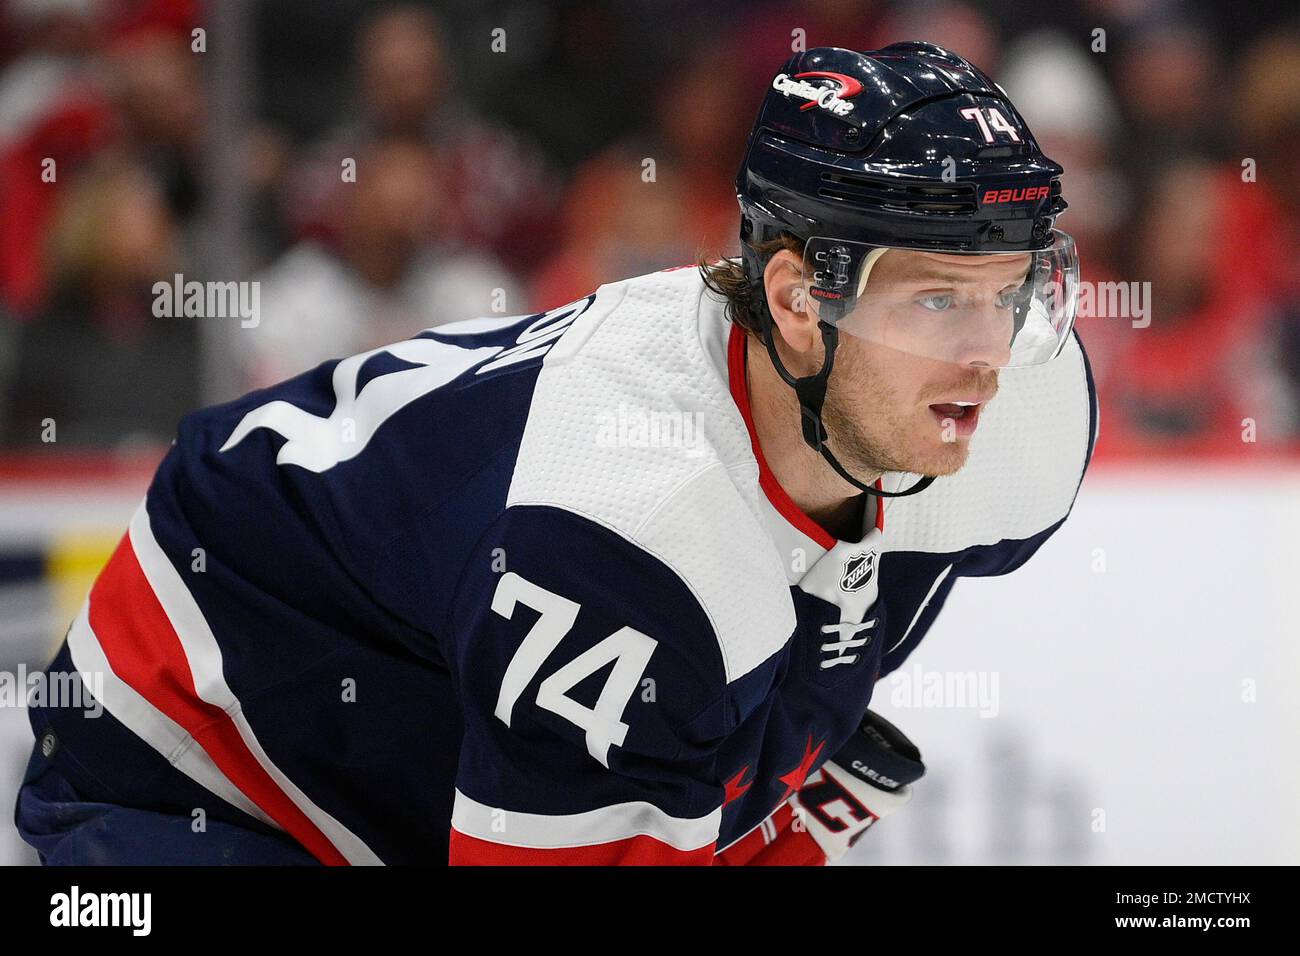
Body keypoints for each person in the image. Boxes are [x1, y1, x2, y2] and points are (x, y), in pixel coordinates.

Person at [14, 43, 1097, 866]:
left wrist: (778, 791)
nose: (988, 355)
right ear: (795, 304)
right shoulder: (629, 528)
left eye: (1011, 293)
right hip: (195, 751)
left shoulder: (1018, 409)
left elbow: (846, 612)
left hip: (456, 666)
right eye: (938, 298)